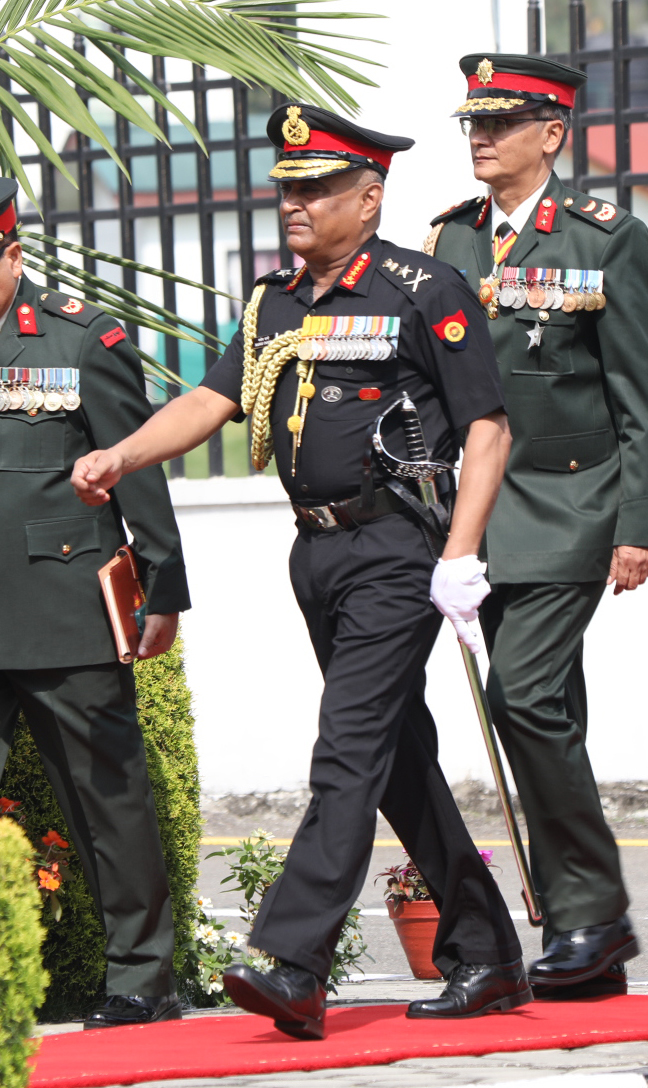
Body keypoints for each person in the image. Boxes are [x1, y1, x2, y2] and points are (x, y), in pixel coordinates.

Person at [70, 104, 526, 1036]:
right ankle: (486, 952)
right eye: (288, 188)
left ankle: (294, 959)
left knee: (348, 746)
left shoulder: (423, 289)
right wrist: (125, 456)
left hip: (398, 550)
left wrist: (460, 553)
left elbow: (487, 425)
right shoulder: (276, 299)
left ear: (369, 195)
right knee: (395, 759)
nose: (296, 203)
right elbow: (212, 396)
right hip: (315, 552)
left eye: (317, 188)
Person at [0, 177, 190, 1028]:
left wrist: (162, 588)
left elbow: (138, 463)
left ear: (12, 256)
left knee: (107, 801)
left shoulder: (82, 339)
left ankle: (142, 979)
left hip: (65, 610)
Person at [422, 54, 648, 997]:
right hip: (479, 516)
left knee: (523, 698)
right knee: (541, 708)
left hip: (571, 505)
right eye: (473, 123)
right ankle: (590, 937)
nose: (481, 137)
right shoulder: (451, 242)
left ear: (552, 134)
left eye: (502, 121)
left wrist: (638, 525)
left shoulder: (607, 239)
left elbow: (644, 399)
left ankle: (595, 911)